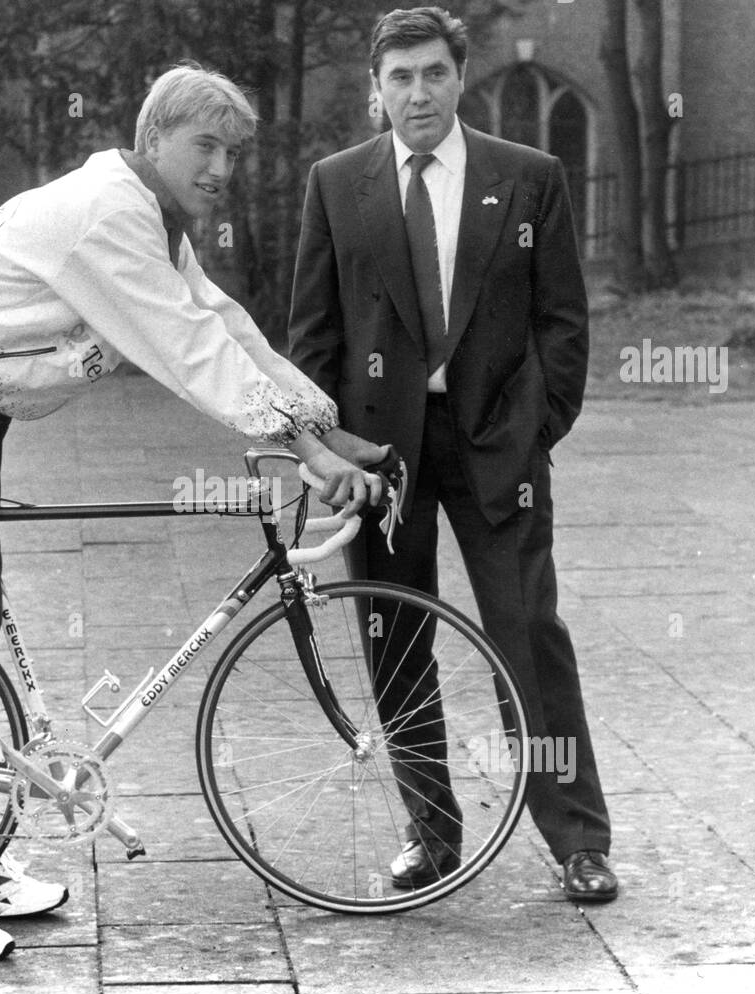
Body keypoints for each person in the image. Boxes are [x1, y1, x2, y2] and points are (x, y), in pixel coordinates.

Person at [0, 64, 390, 962]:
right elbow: (188, 354)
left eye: (233, 152)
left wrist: (330, 427)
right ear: (153, 141)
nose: (221, 167)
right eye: (204, 145)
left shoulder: (154, 219)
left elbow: (224, 323)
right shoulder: (112, 215)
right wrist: (313, 454)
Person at [288, 7, 618, 902]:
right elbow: (312, 337)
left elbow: (563, 326)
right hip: (377, 455)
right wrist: (323, 450)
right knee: (396, 639)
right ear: (377, 88)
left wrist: (531, 431)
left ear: (458, 77)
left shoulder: (528, 179)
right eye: (400, 77)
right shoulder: (336, 183)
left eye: (434, 73)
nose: (418, 93)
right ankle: (431, 834)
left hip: (496, 446)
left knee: (529, 638)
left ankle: (577, 838)